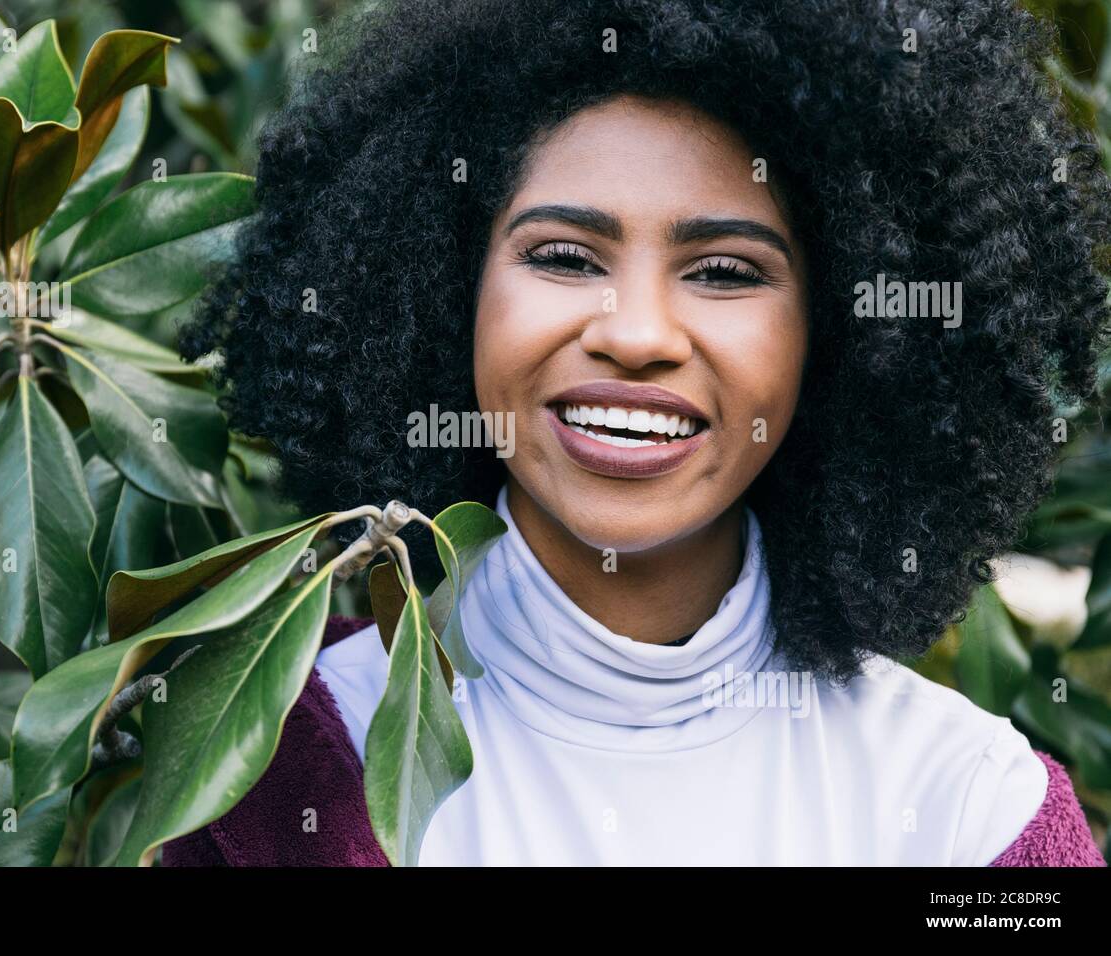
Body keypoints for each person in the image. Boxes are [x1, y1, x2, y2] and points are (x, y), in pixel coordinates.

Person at [168, 0, 1110, 865]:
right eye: (566, 257)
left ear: (840, 338)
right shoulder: (267, 758)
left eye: (727, 272)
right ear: (448, 288)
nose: (635, 334)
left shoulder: (969, 816)